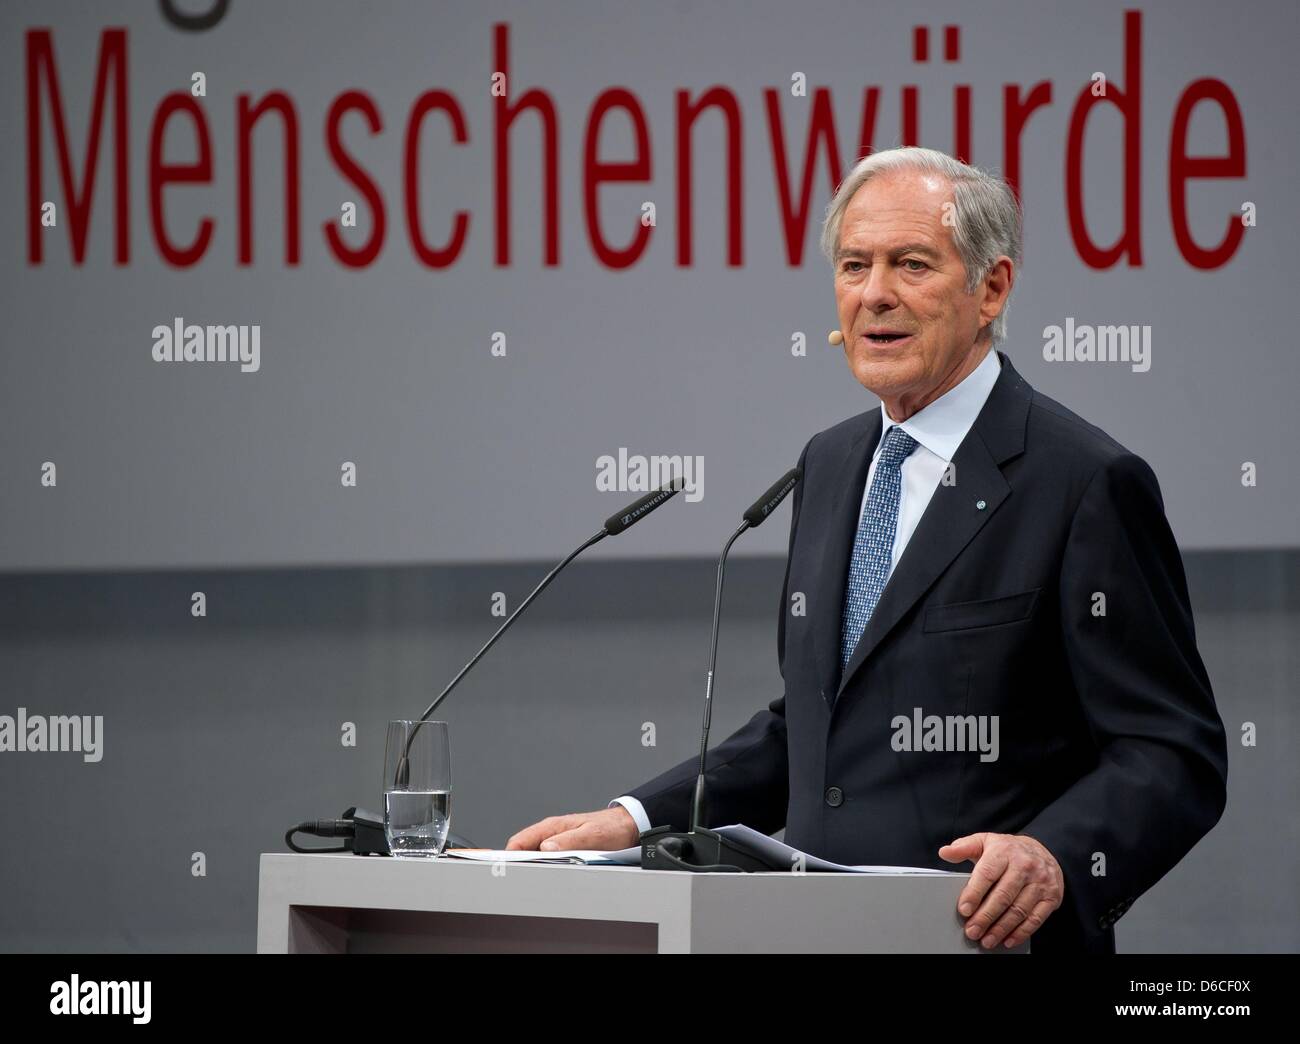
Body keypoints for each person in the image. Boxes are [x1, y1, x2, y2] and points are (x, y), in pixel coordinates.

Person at [506, 146, 1228, 953]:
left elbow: (1172, 752)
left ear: (991, 288)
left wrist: (1054, 854)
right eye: (854, 265)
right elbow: (810, 728)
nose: (875, 294)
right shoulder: (831, 462)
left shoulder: (1086, 481)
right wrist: (635, 819)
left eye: (912, 264)